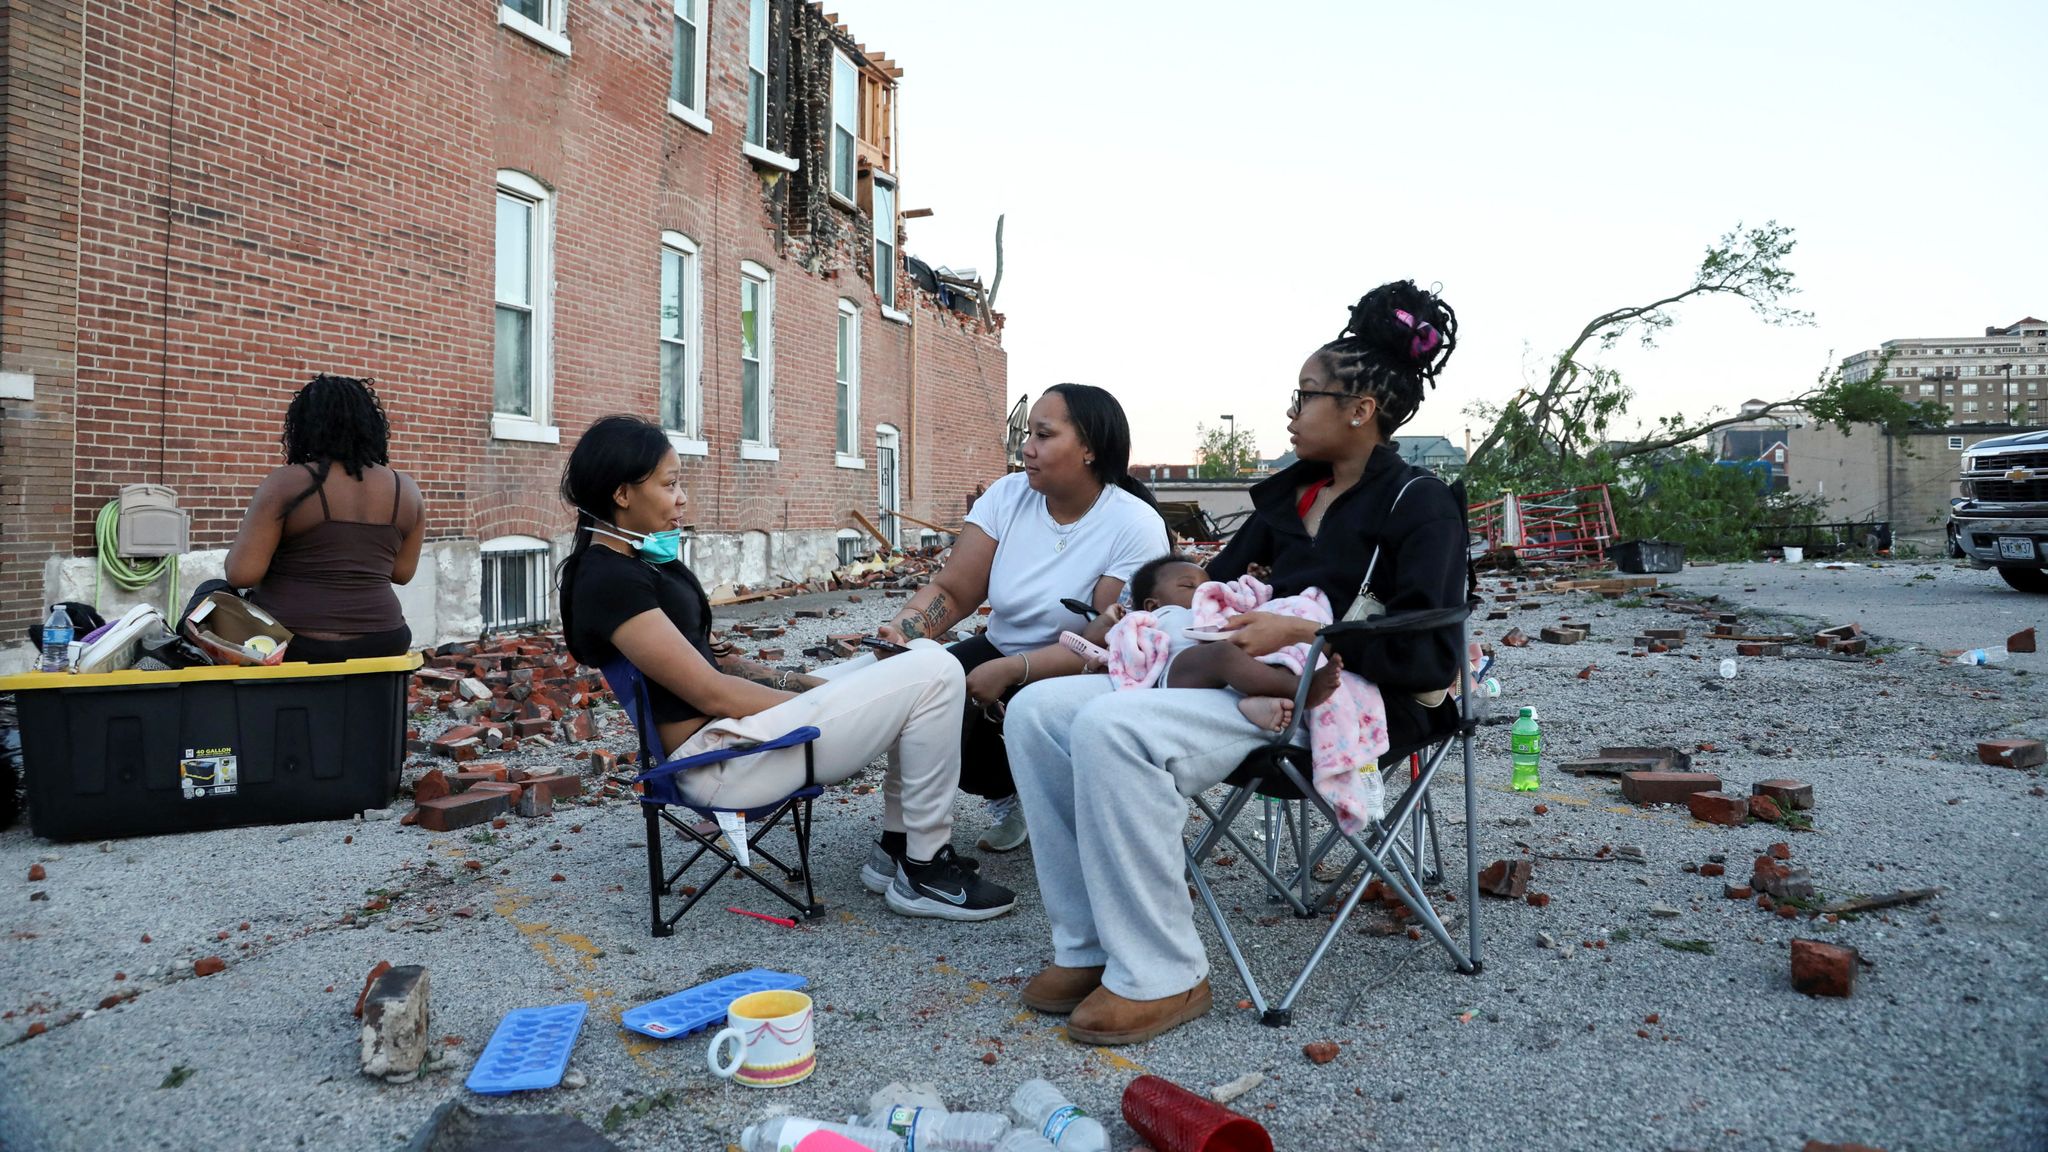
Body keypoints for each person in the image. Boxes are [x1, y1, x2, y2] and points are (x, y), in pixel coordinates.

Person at [1004, 280, 1469, 1045]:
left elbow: (1431, 650)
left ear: (1360, 410)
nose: (1291, 409)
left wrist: (1303, 632)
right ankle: (1088, 944)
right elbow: (1214, 590)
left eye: (1307, 393)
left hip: (1348, 700)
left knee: (1115, 730)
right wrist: (1149, 617)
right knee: (1037, 715)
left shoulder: (1417, 503)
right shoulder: (1287, 499)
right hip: (1242, 686)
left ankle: (1163, 975)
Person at [557, 415, 1014, 921]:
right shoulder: (609, 581)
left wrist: (808, 682)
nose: (682, 497)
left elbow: (721, 663)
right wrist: (817, 703)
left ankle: (897, 850)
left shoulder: (637, 563)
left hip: (741, 737)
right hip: (723, 761)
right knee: (940, 673)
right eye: (670, 485)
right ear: (622, 494)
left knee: (923, 656)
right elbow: (712, 693)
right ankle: (926, 869)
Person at [874, 383, 1168, 859]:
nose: (1027, 448)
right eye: (1028, 433)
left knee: (985, 716)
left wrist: (1015, 671)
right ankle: (985, 807)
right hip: (1002, 645)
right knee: (924, 704)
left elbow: (1104, 642)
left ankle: (1040, 793)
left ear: (1090, 448)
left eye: (1045, 435)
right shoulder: (1007, 496)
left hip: (1080, 668)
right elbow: (954, 590)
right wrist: (904, 630)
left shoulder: (1134, 525)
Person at [222, 374, 424, 662]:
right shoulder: (407, 490)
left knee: (210, 594)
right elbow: (402, 573)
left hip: (292, 643)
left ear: (304, 427)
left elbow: (241, 574)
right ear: (370, 426)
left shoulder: (286, 484)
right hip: (384, 639)